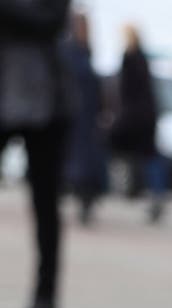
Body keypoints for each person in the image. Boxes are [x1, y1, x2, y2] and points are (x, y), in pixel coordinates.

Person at [0, 0, 72, 308]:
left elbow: (52, 22)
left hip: (45, 103)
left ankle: (46, 292)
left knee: (45, 202)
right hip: (6, 91)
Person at [110, 24, 166, 223]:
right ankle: (154, 197)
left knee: (119, 150)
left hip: (135, 118)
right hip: (145, 118)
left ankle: (126, 189)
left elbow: (128, 92)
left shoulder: (131, 57)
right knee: (150, 158)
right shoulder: (142, 58)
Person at [63, 10, 106, 224]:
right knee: (78, 164)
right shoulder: (70, 52)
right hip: (75, 117)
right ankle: (82, 201)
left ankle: (86, 202)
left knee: (85, 164)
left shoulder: (85, 51)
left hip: (87, 119)